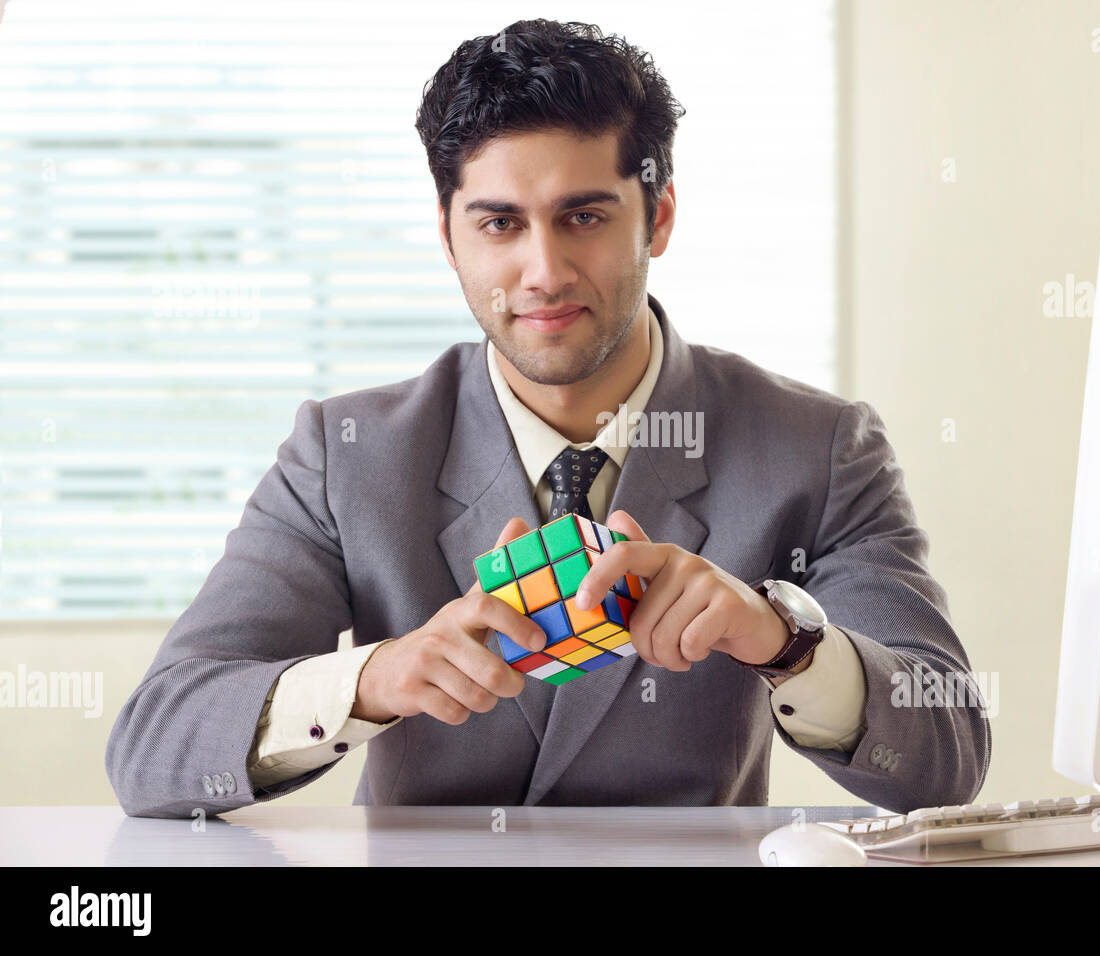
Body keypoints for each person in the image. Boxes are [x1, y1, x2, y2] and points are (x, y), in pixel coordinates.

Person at [105, 17, 990, 818]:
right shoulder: (346, 456)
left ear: (659, 217)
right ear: (448, 235)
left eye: (584, 217)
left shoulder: (819, 449)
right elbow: (153, 748)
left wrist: (785, 640)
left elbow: (947, 756)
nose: (544, 272)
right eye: (499, 224)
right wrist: (373, 678)